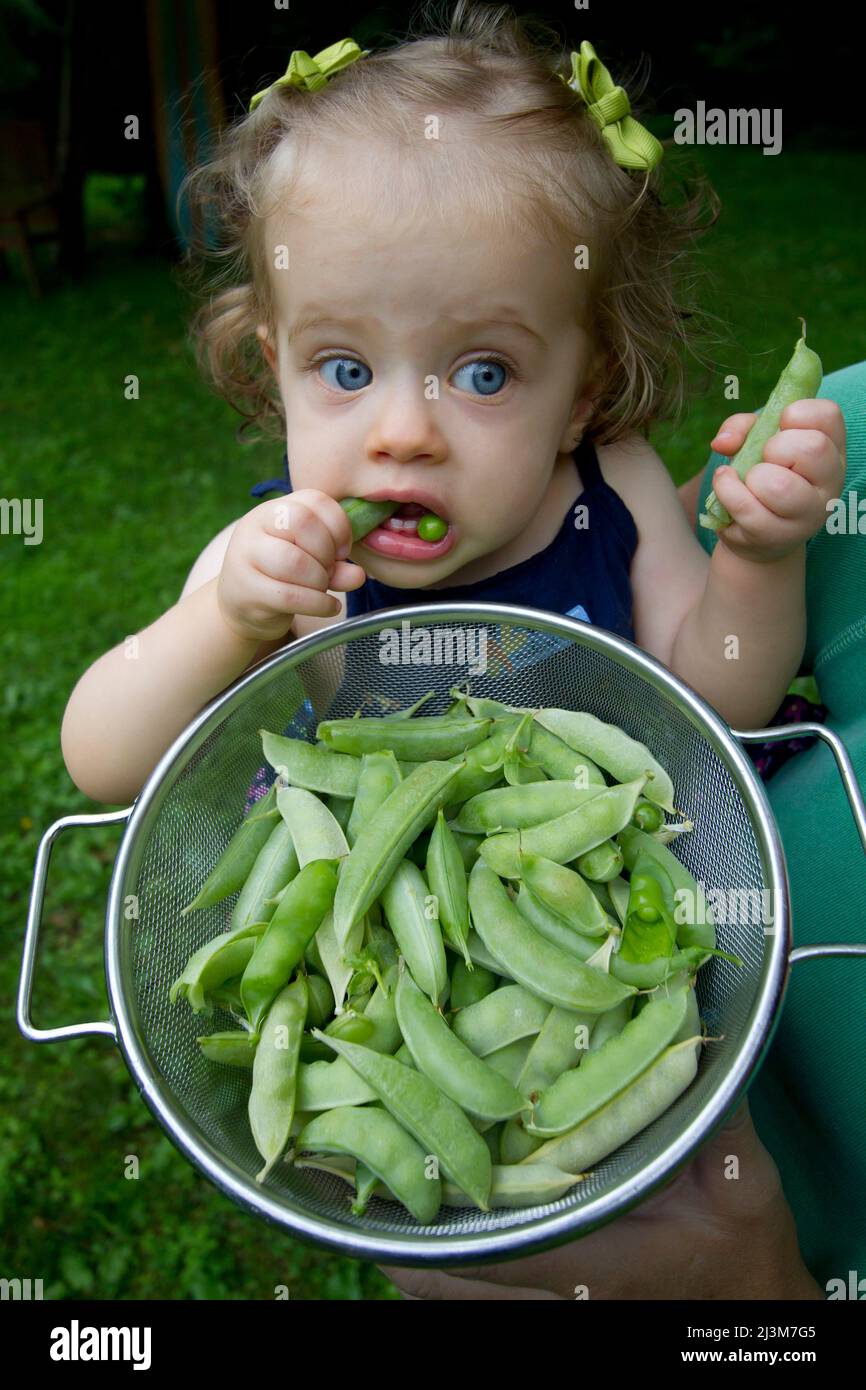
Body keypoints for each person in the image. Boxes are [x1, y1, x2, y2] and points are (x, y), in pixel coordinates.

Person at [60, 3, 850, 1298]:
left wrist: (755, 559)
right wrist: (226, 619)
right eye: (343, 367)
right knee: (455, 1257)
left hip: (627, 940)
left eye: (481, 373)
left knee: (713, 1188)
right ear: (274, 366)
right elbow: (99, 757)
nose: (404, 433)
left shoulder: (615, 484)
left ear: (582, 388)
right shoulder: (287, 560)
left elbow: (714, 693)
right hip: (381, 970)